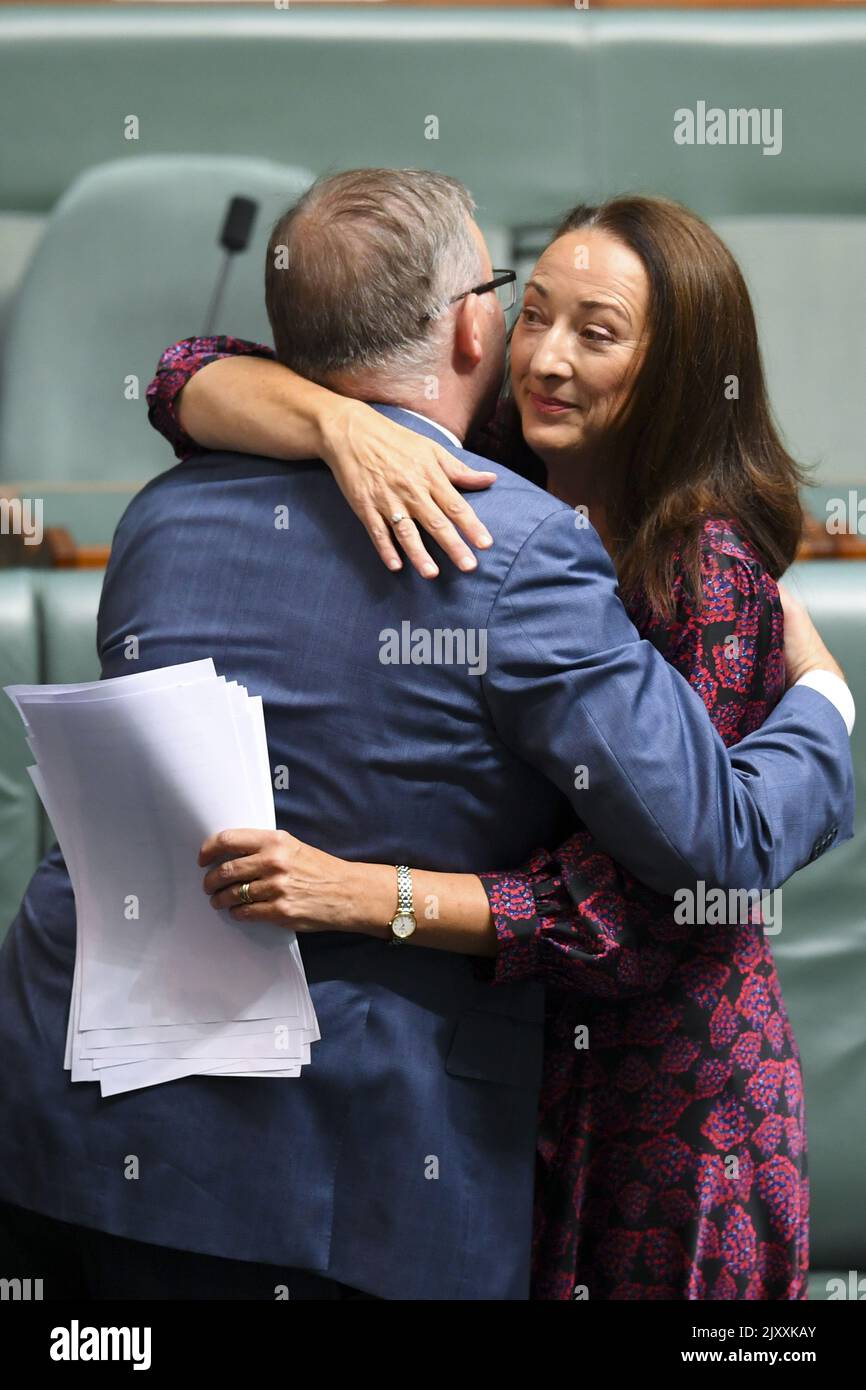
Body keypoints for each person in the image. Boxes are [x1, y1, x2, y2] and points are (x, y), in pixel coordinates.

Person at [0, 172, 854, 1302]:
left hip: (651, 1086)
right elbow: (185, 372)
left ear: (677, 369)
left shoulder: (166, 513)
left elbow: (686, 876)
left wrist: (828, 703)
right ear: (476, 326)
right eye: (531, 309)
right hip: (418, 1118)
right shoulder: (497, 489)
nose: (544, 353)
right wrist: (337, 419)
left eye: (594, 331)